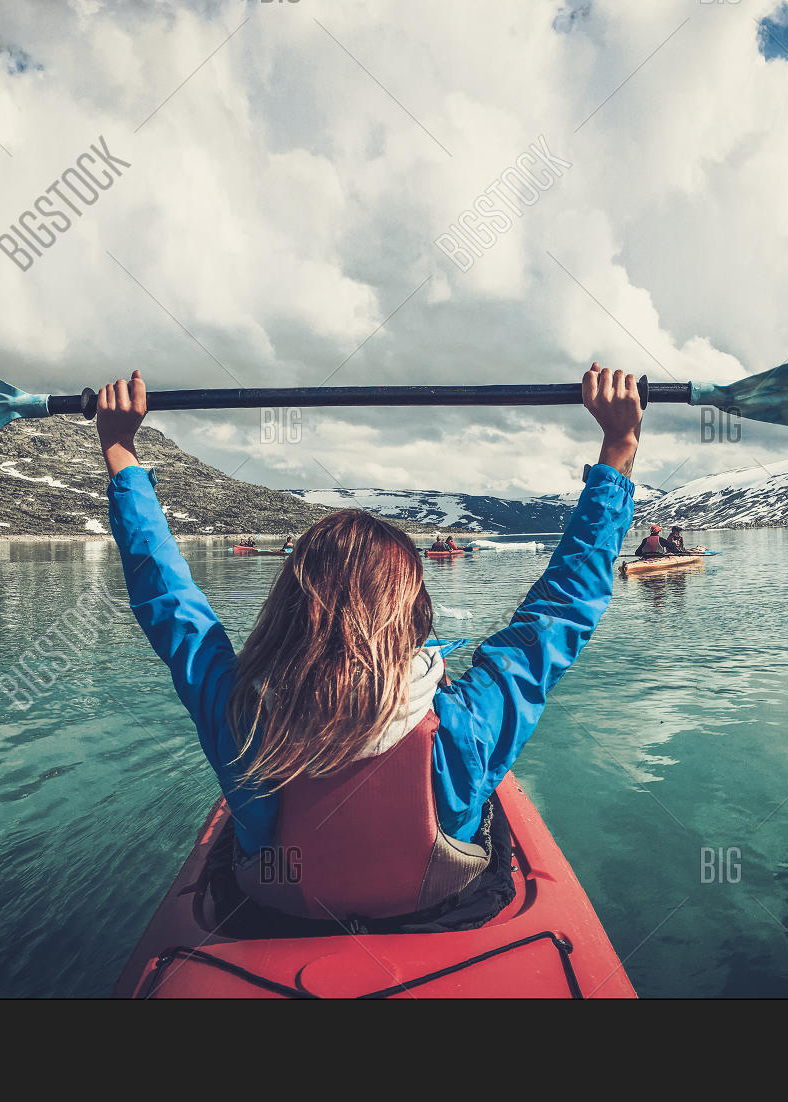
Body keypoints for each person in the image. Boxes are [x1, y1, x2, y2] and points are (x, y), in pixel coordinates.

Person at [95, 363, 641, 926]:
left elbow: (168, 601)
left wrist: (119, 449)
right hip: (439, 910)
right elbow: (564, 606)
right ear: (412, 616)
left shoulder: (239, 715)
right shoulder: (466, 724)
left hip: (280, 910)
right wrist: (618, 446)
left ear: (287, 609)